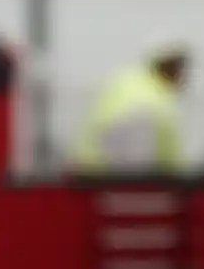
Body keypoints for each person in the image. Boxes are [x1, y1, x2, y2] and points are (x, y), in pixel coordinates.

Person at [72, 45, 188, 175]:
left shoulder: (124, 79)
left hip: (85, 170)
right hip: (123, 180)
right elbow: (170, 161)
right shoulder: (159, 102)